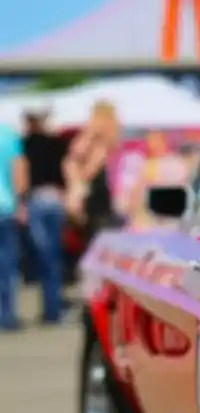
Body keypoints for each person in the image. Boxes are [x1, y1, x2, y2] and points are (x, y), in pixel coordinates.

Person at [21, 108, 70, 324]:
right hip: (55, 197)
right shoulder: (56, 143)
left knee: (42, 256)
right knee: (54, 256)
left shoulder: (25, 144)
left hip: (36, 199)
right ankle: (54, 309)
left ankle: (51, 308)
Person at [63, 100, 122, 240]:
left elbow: (78, 158)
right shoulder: (108, 142)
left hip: (95, 206)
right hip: (101, 205)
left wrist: (76, 182)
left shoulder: (100, 145)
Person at [124, 130, 189, 229]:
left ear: (163, 141)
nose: (151, 144)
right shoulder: (145, 164)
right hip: (147, 222)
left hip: (169, 222)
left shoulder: (176, 163)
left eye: (155, 140)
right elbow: (135, 197)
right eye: (149, 140)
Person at [0, 122, 30, 332]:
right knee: (7, 266)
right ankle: (7, 315)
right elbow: (19, 172)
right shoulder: (9, 135)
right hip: (6, 208)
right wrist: (21, 203)